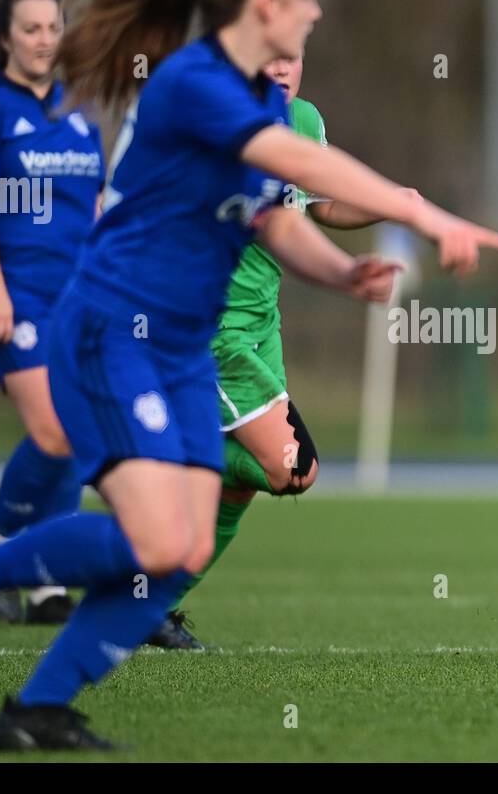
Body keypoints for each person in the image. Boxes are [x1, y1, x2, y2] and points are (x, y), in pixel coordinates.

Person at [0, 0, 498, 751]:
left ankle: (35, 710)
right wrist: (415, 209)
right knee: (159, 539)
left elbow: (269, 216)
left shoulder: (264, 99)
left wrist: (340, 273)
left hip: (182, 347)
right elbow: (299, 167)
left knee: (181, 550)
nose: (318, 11)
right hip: (114, 333)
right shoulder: (195, 82)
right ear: (264, 8)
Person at [149, 50, 397, 650]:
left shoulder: (303, 121)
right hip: (210, 329)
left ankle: (153, 608)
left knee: (245, 485)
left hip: (262, 326)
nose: (285, 67)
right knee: (292, 467)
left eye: (295, 56)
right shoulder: (216, 127)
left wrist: (395, 201)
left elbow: (316, 207)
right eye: (272, 57)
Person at [0, 0, 104, 626]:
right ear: (4, 37)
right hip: (10, 292)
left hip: (75, 294)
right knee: (56, 428)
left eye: (52, 27)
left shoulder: (82, 110)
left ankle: (45, 581)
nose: (44, 39)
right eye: (30, 28)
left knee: (77, 429)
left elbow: (95, 205)